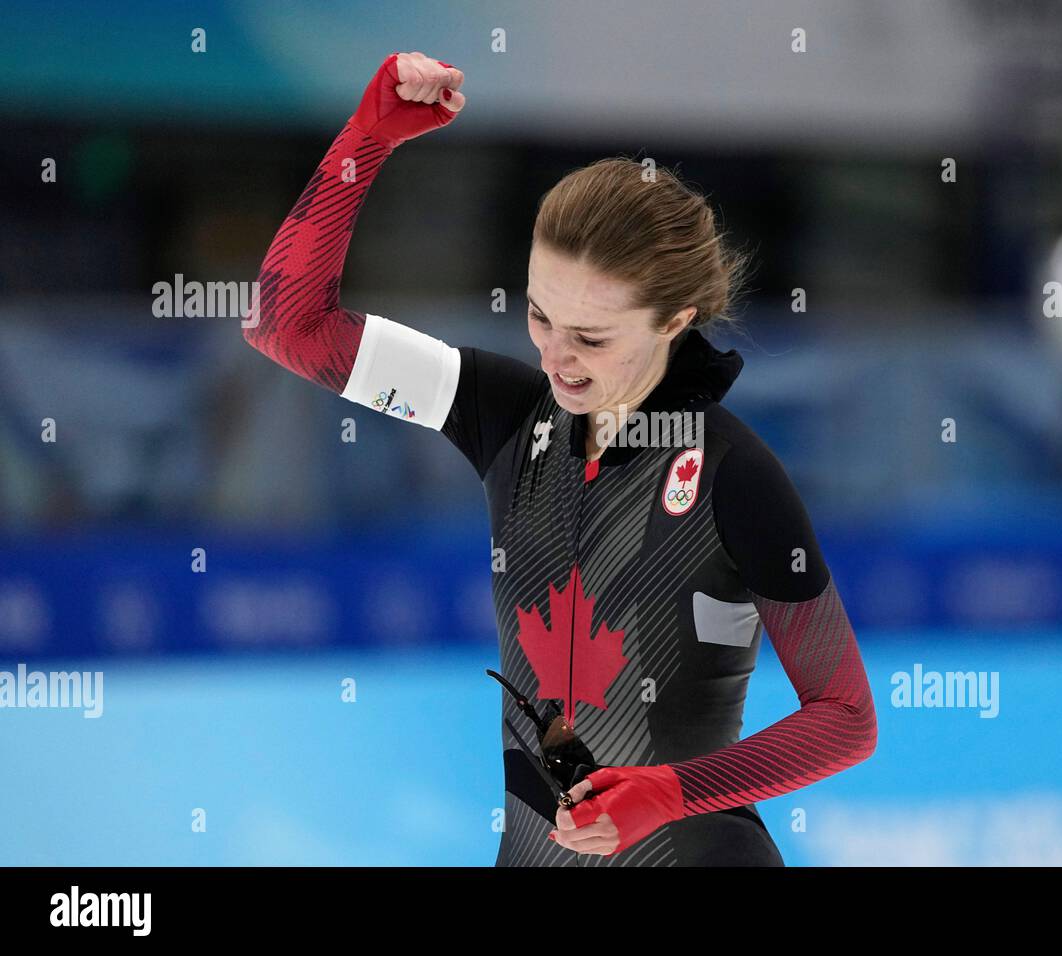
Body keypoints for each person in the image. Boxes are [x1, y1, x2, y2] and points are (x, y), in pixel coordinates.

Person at [243, 51, 877, 866]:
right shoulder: (501, 413)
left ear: (675, 318)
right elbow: (284, 328)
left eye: (592, 337)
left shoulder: (732, 473)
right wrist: (366, 140)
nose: (557, 358)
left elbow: (847, 718)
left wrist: (669, 791)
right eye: (541, 317)